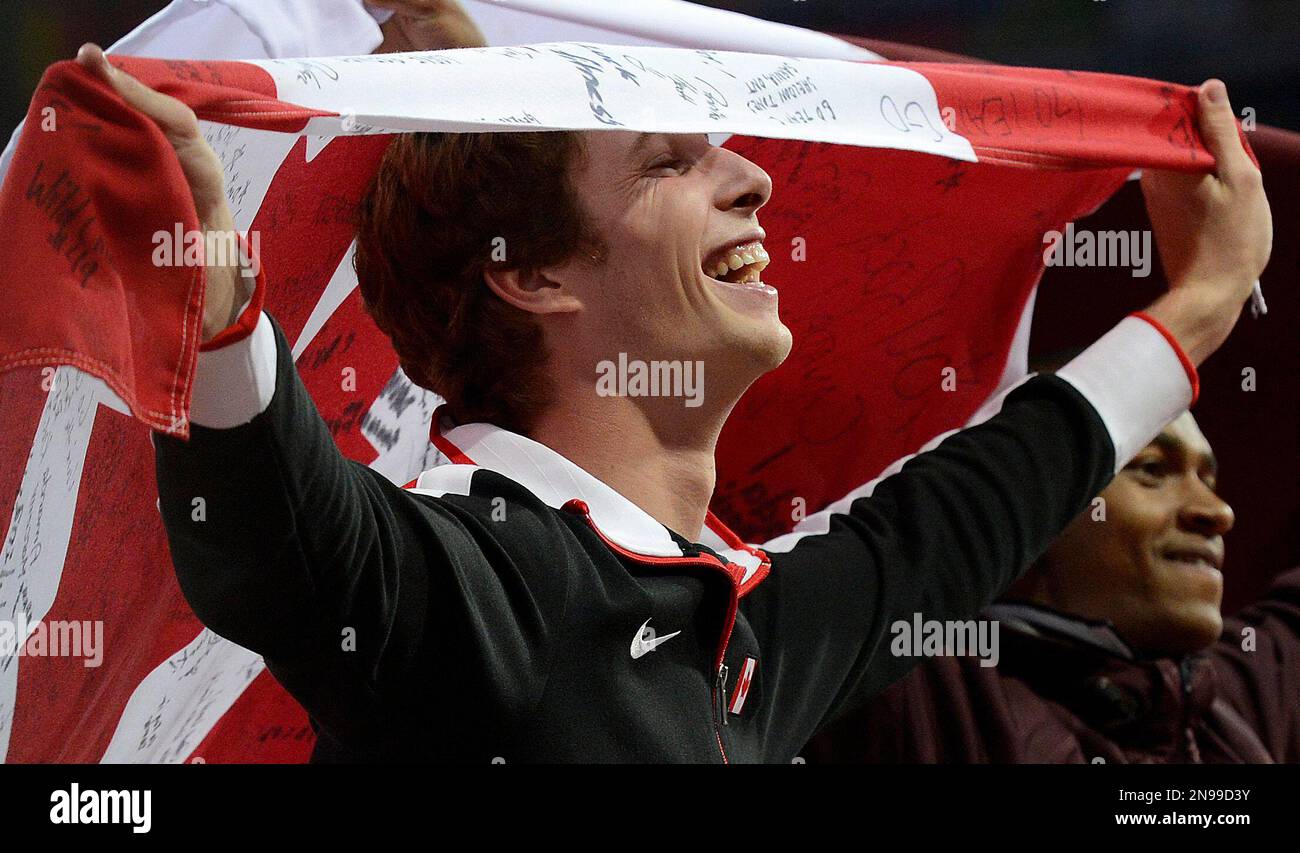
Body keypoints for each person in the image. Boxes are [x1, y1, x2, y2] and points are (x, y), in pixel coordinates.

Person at [71, 6, 1272, 761]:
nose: (751, 177)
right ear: (534, 276)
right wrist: (219, 300)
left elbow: (967, 509)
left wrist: (1206, 299)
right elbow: (279, 536)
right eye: (671, 160)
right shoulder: (474, 582)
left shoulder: (742, 629)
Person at [804, 407, 1299, 763]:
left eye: (1207, 479)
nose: (1217, 513)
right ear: (1028, 501)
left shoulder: (1227, 706)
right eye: (1151, 470)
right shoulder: (912, 684)